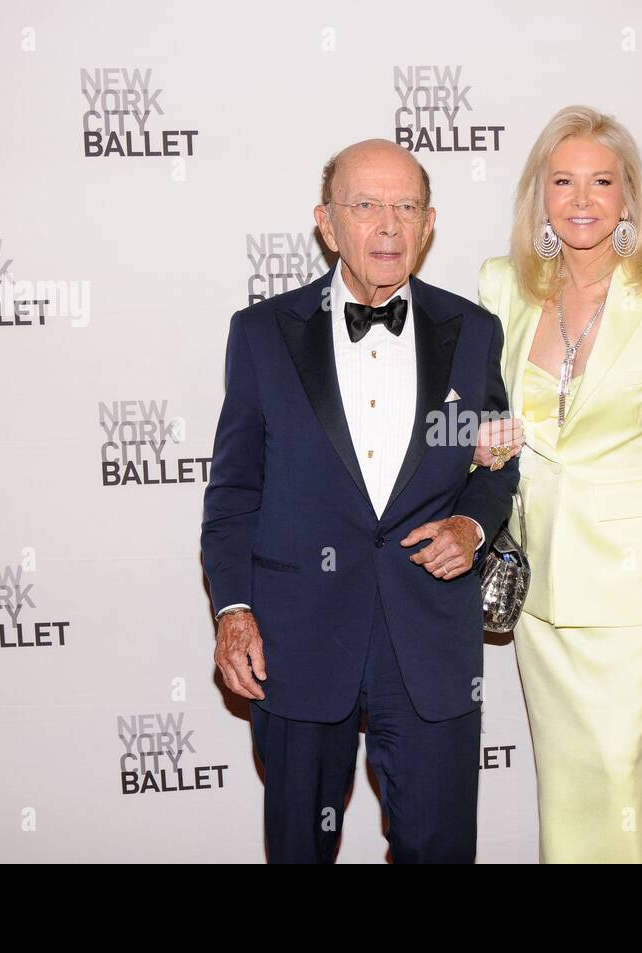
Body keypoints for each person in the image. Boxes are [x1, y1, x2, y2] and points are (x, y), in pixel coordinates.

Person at [201, 138, 518, 863]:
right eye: (366, 205)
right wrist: (233, 609)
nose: (387, 225)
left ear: (429, 223)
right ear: (327, 222)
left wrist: (473, 523)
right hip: (298, 638)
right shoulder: (261, 335)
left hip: (430, 638)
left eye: (406, 206)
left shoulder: (473, 332)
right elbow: (234, 494)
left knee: (438, 848)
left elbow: (497, 464)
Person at [473, 105, 642, 863]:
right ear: (540, 198)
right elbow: (480, 422)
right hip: (540, 582)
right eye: (563, 181)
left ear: (628, 199)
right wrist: (479, 449)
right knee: (565, 786)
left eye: (601, 182)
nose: (582, 200)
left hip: (635, 587)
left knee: (619, 778)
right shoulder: (502, 287)